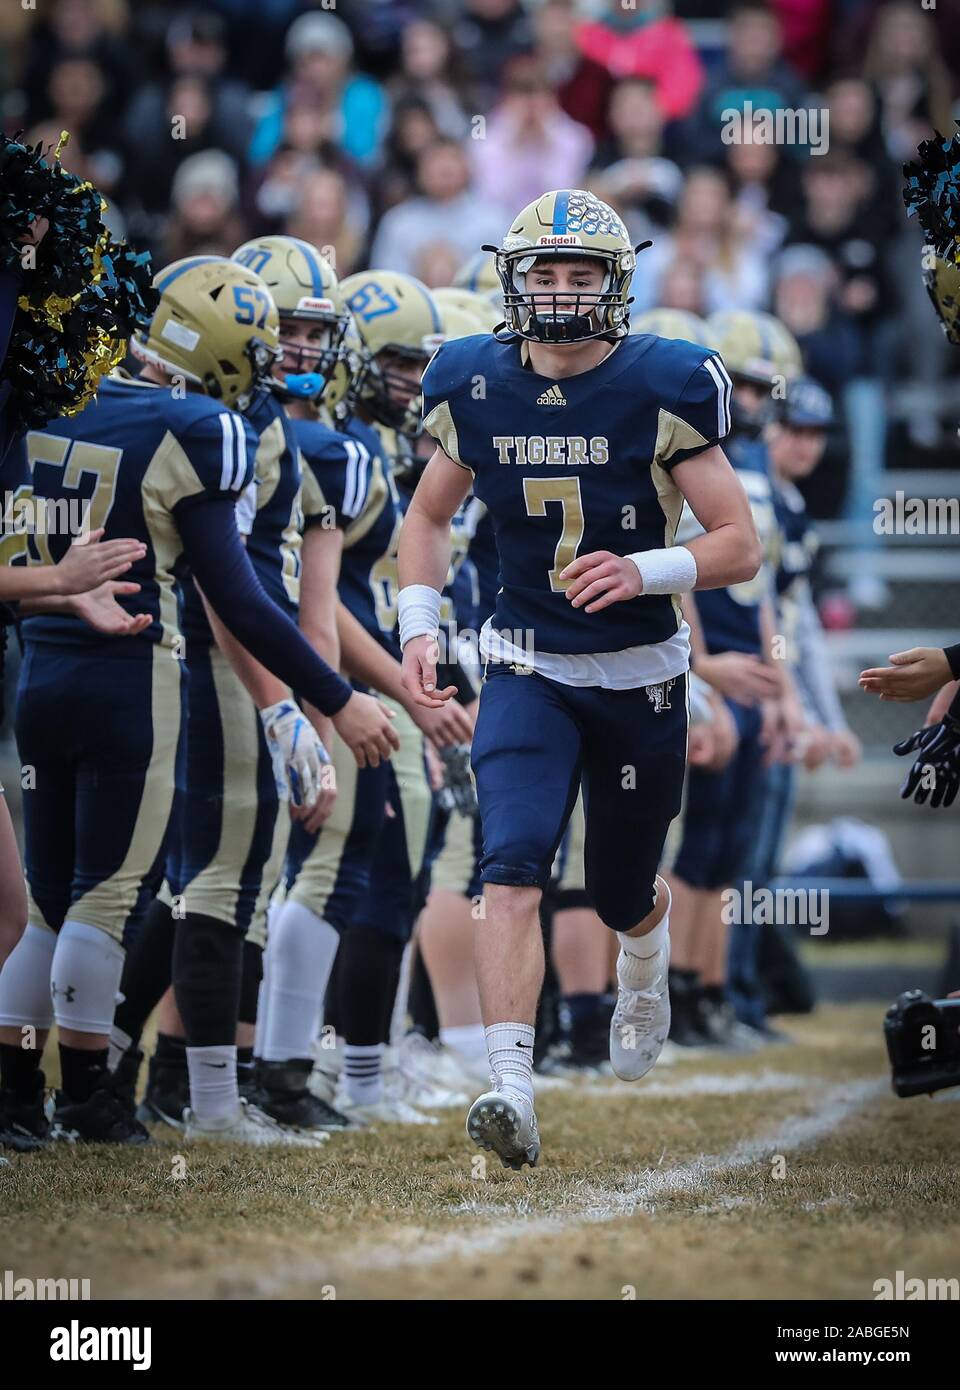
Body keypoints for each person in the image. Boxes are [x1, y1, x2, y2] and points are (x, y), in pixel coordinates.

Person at [398, 188, 761, 1168]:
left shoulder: (665, 379)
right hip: (525, 660)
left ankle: (644, 953)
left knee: (617, 888)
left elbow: (739, 544)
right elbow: (428, 521)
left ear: (616, 283)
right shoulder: (472, 377)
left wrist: (646, 568)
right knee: (509, 864)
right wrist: (420, 626)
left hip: (640, 669)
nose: (560, 292)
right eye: (545, 273)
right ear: (514, 282)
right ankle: (511, 1088)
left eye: (581, 273)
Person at [0, 256, 396, 1150]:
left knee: (50, 904)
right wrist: (326, 699)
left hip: (40, 668)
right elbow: (241, 597)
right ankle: (93, 1097)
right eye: (263, 341)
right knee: (108, 900)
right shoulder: (198, 427)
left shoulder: (67, 400)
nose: (273, 360)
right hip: (136, 672)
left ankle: (19, 1093)